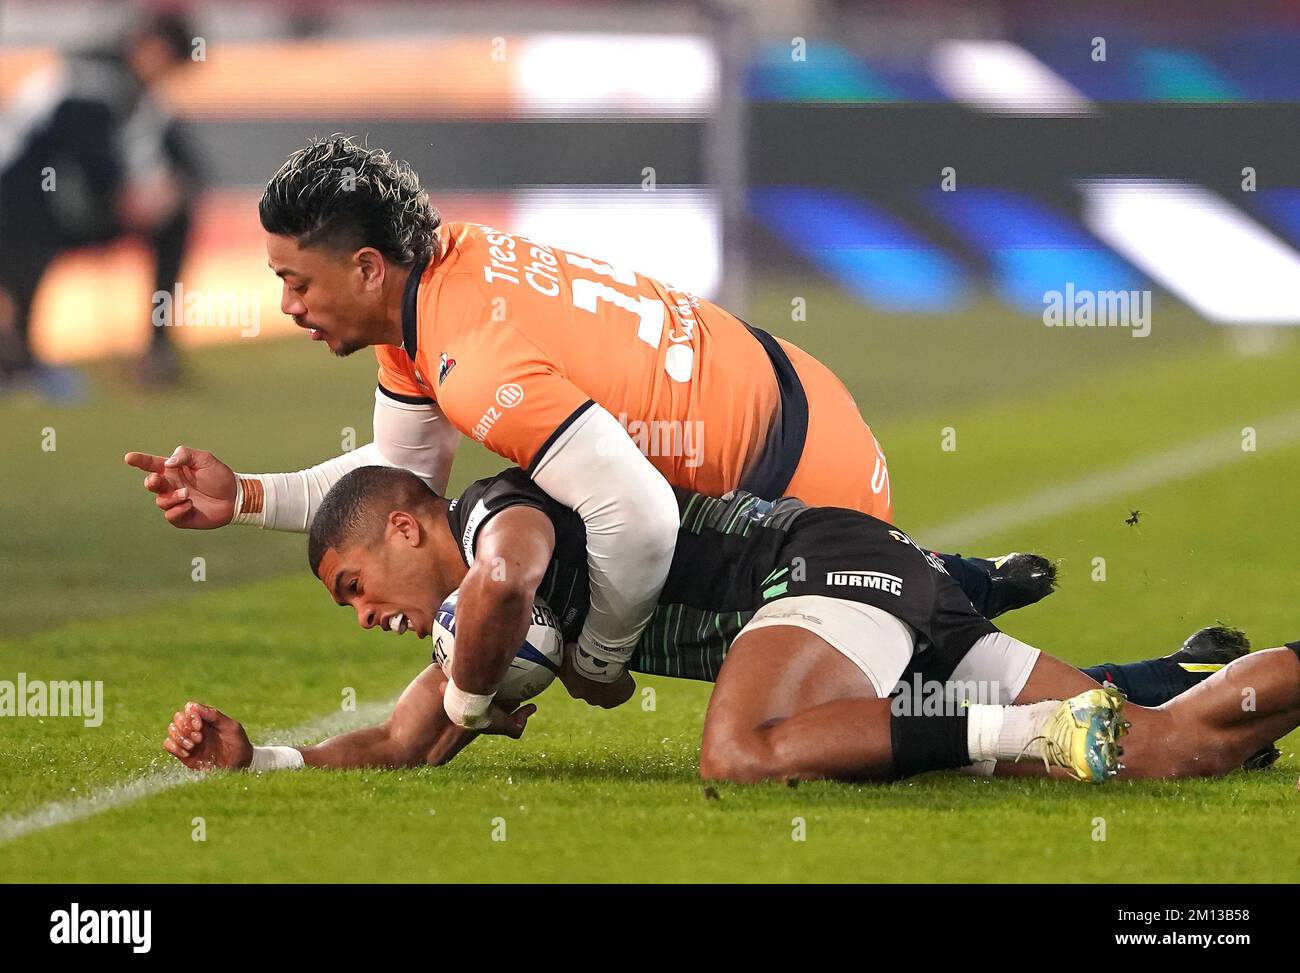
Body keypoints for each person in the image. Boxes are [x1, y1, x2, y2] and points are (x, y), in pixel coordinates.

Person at [126, 133, 1052, 725]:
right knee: (918, 663)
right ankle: (975, 590)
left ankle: (1133, 679)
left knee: (850, 721)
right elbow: (396, 492)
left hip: (800, 480)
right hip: (784, 412)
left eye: (296, 280)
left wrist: (596, 662)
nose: (286, 303)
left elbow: (642, 516)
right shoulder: (432, 299)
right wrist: (249, 496)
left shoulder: (466, 353)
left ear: (367, 268)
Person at [162, 466, 1299, 784]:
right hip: (870, 586)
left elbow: (506, 581)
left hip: (818, 568)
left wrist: (474, 686)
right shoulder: (465, 625)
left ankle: (1027, 737)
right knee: (1170, 741)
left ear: (409, 527)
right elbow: (409, 741)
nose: (363, 614)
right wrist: (262, 756)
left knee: (739, 750)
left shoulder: (493, 510)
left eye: (352, 583)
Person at [0, 10, 201, 393]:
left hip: (68, 210)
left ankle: (158, 350)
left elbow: (172, 162)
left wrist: (162, 192)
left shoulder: (139, 96)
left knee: (175, 219)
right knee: (28, 220)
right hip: (20, 206)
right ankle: (17, 355)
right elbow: (80, 149)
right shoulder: (87, 79)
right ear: (151, 48)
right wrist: (122, 194)